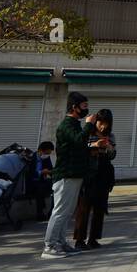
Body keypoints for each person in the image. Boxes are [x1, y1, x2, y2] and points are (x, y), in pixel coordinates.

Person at [42, 91, 93, 259]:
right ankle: (49, 245)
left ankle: (60, 242)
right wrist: (89, 125)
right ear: (74, 107)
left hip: (74, 174)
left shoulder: (74, 125)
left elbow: (78, 145)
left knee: (67, 211)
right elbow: (78, 140)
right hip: (66, 175)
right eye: (84, 106)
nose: (86, 109)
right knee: (60, 211)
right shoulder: (67, 125)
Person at [73, 109, 116, 249]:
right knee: (83, 208)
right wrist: (94, 145)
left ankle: (93, 238)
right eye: (101, 123)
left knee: (100, 208)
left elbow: (112, 155)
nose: (103, 126)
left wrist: (109, 148)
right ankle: (79, 240)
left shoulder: (111, 136)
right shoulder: (87, 134)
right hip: (88, 175)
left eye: (106, 124)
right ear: (95, 121)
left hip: (103, 175)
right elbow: (79, 148)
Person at [32, 141, 55, 218]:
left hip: (43, 180)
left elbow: (51, 169)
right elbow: (30, 173)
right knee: (40, 190)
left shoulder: (46, 158)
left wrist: (50, 172)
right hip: (33, 181)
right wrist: (40, 172)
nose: (48, 155)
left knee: (56, 188)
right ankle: (40, 213)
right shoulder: (32, 158)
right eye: (47, 153)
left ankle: (51, 212)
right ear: (41, 150)